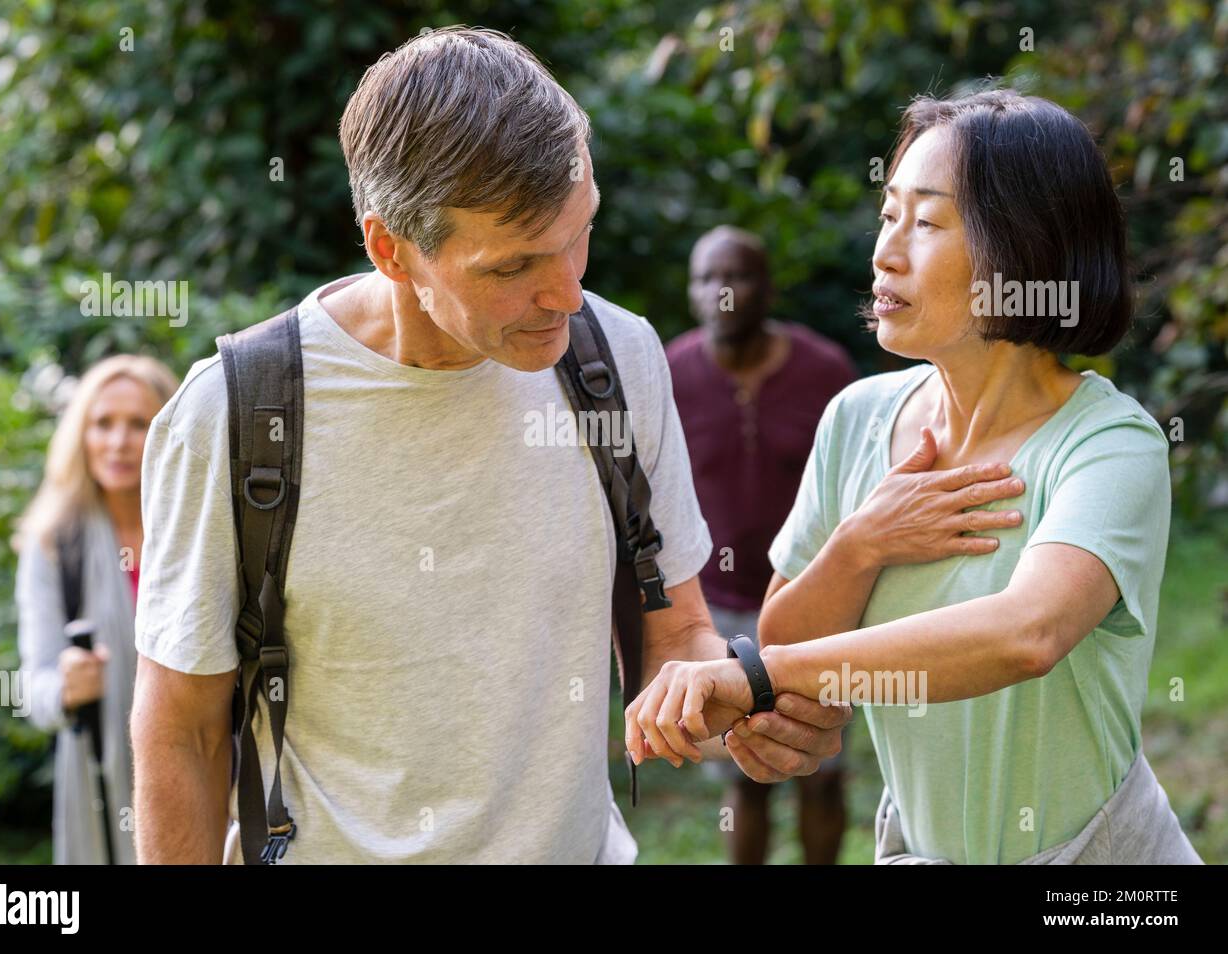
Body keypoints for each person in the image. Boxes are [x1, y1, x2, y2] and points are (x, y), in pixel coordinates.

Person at [128, 26, 853, 865]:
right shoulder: (237, 414)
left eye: (579, 234)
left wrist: (739, 697)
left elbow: (675, 630)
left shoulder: (615, 358)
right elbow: (182, 728)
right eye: (513, 267)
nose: (567, 291)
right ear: (391, 250)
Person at [627, 88, 1204, 864]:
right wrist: (861, 544)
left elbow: (1026, 634)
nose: (886, 253)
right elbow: (790, 646)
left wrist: (755, 678)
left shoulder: (1108, 445)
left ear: (1023, 248)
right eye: (887, 216)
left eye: (926, 222)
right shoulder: (857, 419)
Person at [667, 225, 858, 864]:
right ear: (691, 292)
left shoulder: (824, 371)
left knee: (821, 770)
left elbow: (857, 488)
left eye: (736, 275)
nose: (721, 291)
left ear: (768, 287)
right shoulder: (671, 375)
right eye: (705, 278)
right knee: (746, 774)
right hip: (717, 611)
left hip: (816, 608)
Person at [15, 354, 178, 864]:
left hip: (200, 765)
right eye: (102, 423)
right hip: (97, 782)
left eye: (138, 423)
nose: (119, 442)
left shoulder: (194, 529)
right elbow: (35, 688)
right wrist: (65, 686)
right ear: (79, 434)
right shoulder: (55, 544)